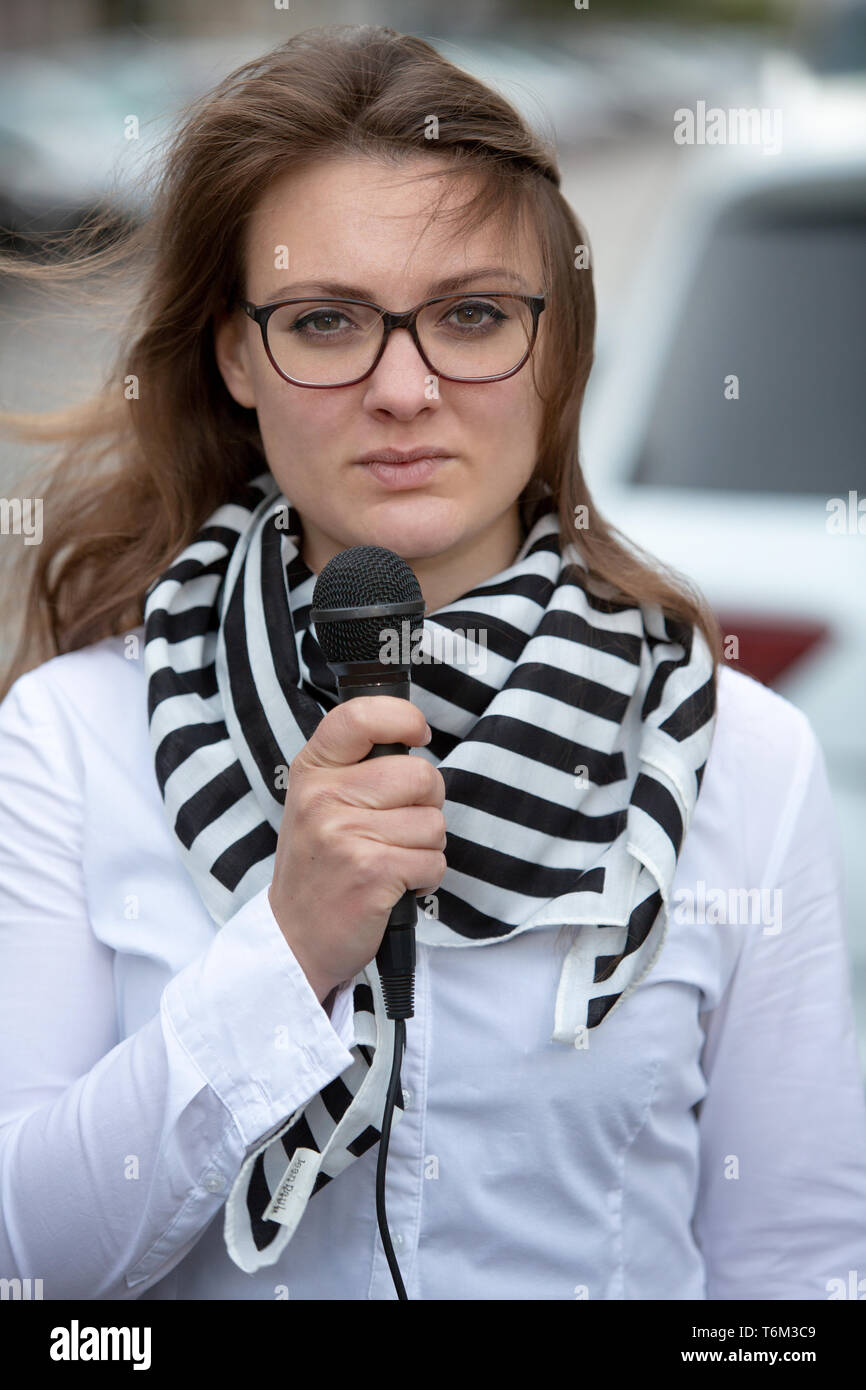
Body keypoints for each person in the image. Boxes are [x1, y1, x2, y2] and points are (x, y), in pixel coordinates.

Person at [1, 24, 865, 1302]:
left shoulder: (739, 756)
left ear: (556, 344)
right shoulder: (71, 739)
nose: (404, 388)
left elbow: (796, 1271)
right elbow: (28, 1263)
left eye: (468, 315)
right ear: (236, 356)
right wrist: (285, 949)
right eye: (325, 320)